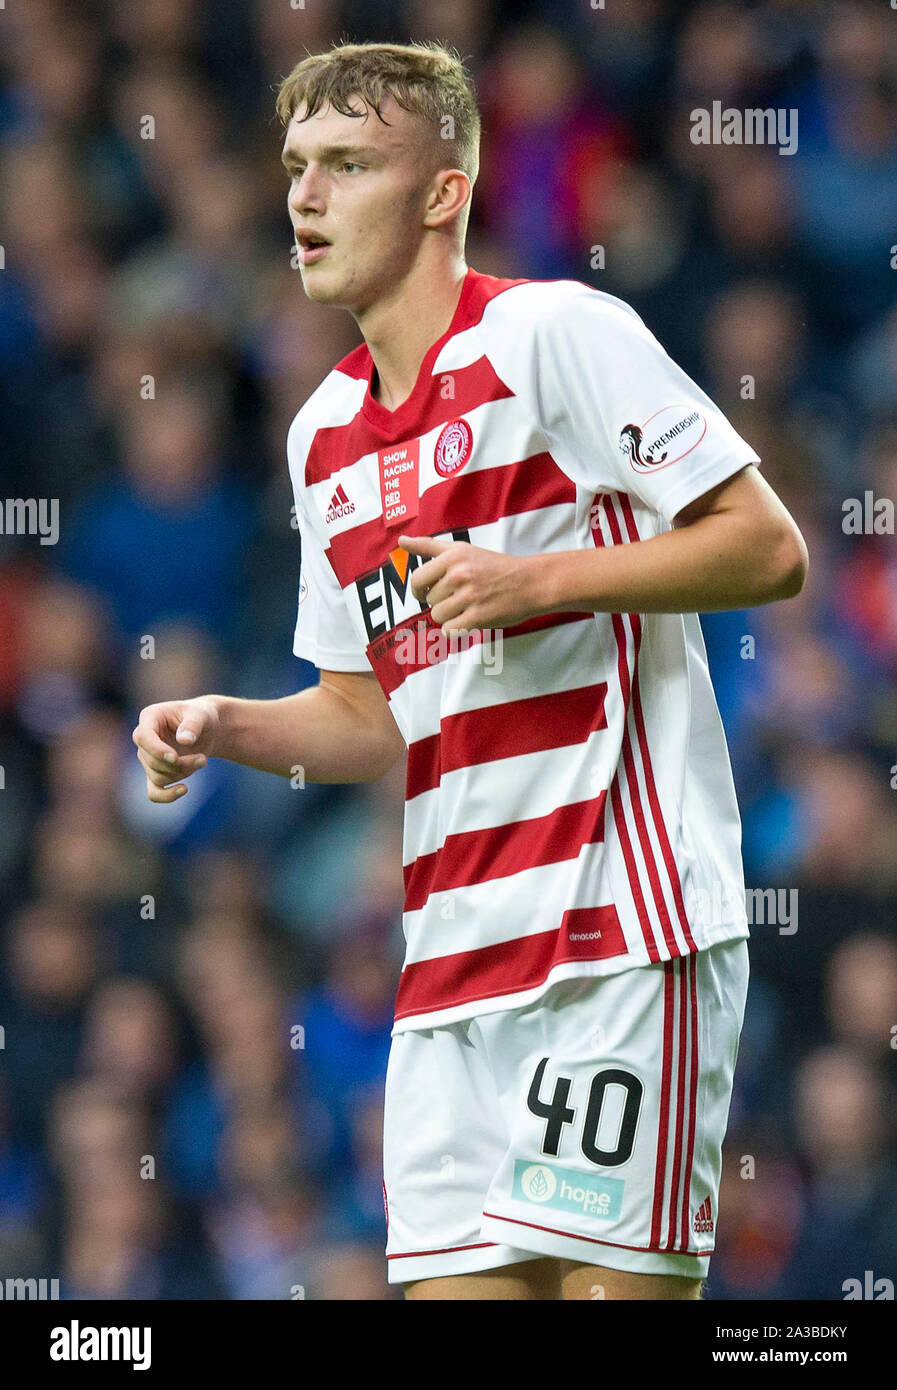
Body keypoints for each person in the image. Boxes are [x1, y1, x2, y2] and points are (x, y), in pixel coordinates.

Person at [132, 41, 808, 1301]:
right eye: (294, 169)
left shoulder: (553, 332)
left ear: (442, 192)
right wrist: (224, 721)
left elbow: (766, 548)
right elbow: (366, 713)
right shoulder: (321, 436)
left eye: (347, 166)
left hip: (620, 929)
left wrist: (534, 581)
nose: (304, 199)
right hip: (448, 968)